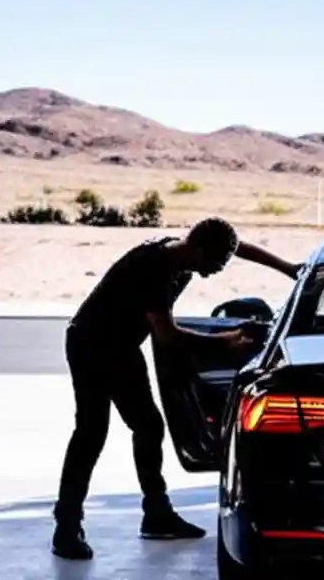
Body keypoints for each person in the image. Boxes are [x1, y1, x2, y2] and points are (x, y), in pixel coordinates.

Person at [51, 217, 301, 560]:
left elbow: (237, 246)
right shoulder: (154, 269)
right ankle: (66, 525)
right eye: (215, 263)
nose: (217, 271)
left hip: (121, 345)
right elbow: (167, 335)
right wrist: (225, 341)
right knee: (92, 431)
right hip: (91, 343)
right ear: (198, 248)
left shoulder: (187, 249)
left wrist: (287, 268)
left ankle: (157, 514)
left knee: (148, 427)